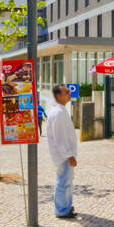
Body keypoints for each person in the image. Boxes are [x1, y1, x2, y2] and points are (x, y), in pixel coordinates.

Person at [43, 84, 80, 219]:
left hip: (66, 155)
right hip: (63, 156)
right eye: (66, 92)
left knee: (67, 181)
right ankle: (61, 210)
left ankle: (66, 207)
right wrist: (69, 155)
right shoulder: (58, 112)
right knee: (63, 182)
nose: (69, 93)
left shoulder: (61, 110)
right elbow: (60, 138)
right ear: (59, 96)